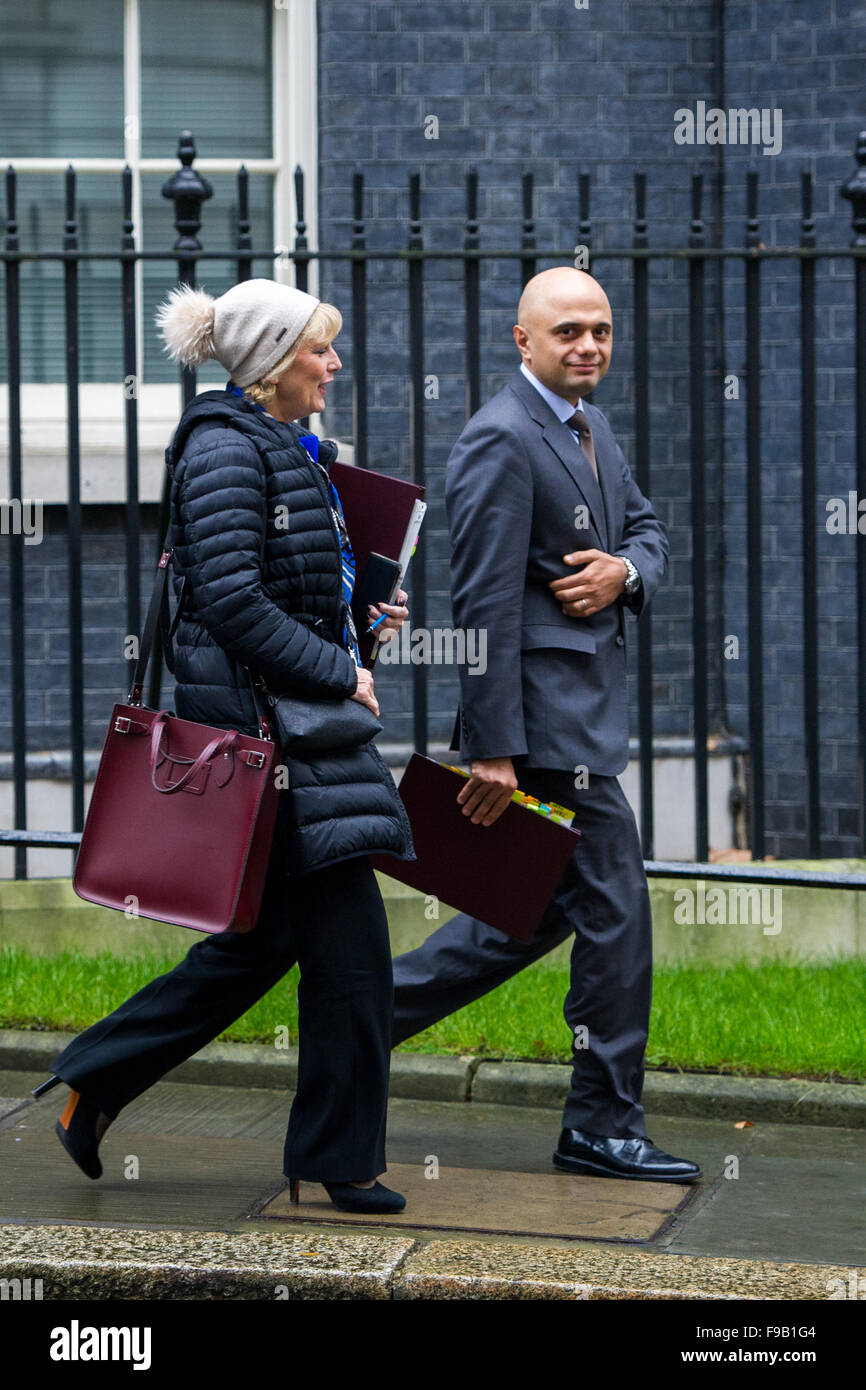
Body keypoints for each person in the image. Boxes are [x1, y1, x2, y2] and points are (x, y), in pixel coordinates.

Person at [32, 278, 415, 1214]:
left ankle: (94, 1082)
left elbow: (282, 590)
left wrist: (361, 620)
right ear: (273, 363)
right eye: (318, 348)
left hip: (294, 735)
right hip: (271, 743)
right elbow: (232, 601)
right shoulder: (225, 450)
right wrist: (338, 672)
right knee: (355, 954)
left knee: (261, 943)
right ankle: (339, 1161)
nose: (333, 364)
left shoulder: (284, 448)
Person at [391, 267, 702, 1184]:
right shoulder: (502, 435)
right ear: (523, 340)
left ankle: (353, 1019)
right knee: (617, 914)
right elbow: (481, 602)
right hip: (544, 728)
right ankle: (601, 1125)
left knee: (522, 916)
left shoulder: (590, 425)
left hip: (583, 718)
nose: (588, 345)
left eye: (599, 329)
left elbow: (648, 533)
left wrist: (623, 574)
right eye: (568, 331)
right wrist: (491, 748)